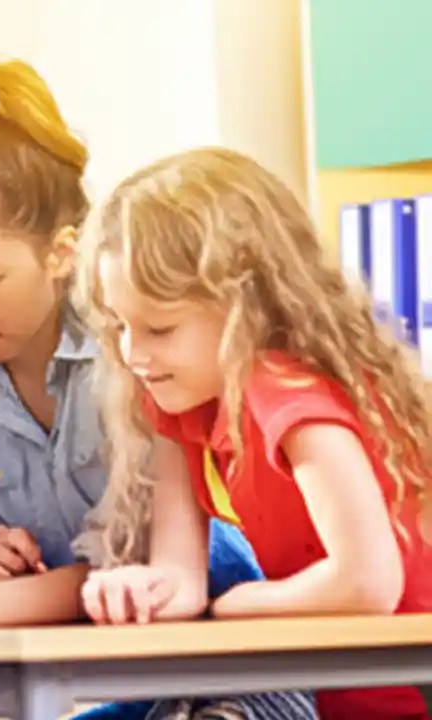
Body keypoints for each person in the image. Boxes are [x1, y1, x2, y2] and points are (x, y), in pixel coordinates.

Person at [0, 61, 308, 719]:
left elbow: (139, 566)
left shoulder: (141, 358)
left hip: (203, 637)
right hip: (79, 659)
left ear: (60, 253)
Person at [77, 146, 432, 719]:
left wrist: (238, 605)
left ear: (245, 306)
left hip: (403, 694)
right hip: (332, 692)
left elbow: (368, 582)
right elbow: (182, 580)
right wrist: (142, 590)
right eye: (119, 325)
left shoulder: (285, 393)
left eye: (160, 328)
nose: (132, 353)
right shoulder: (181, 408)